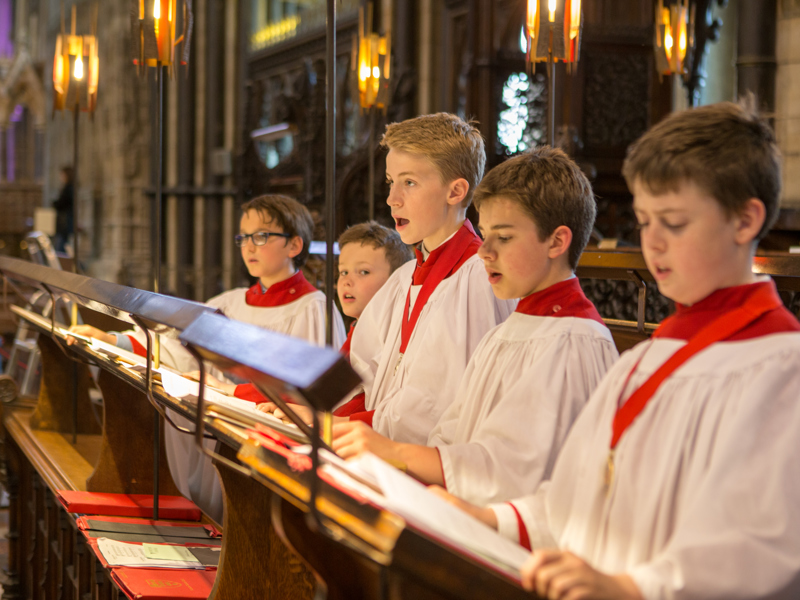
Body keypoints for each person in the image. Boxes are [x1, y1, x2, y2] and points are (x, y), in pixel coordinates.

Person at [435, 101, 800, 600]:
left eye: (673, 222)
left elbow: (761, 543)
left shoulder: (780, 367)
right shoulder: (648, 358)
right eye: (645, 222)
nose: (654, 244)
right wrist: (491, 519)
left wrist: (631, 588)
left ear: (744, 220)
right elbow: (580, 494)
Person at [332, 147, 618, 506]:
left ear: (557, 242)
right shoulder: (505, 334)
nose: (485, 251)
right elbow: (451, 435)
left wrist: (393, 451)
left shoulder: (573, 340)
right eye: (485, 235)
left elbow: (520, 471)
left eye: (505, 237)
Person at [69, 194, 346, 522]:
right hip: (220, 430)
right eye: (243, 237)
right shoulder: (229, 304)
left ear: (294, 245)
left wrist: (234, 391)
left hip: (270, 443)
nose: (249, 247)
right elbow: (177, 345)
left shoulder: (313, 308)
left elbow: (313, 390)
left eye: (261, 236)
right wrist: (113, 339)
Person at [341, 113, 517, 445]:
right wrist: (306, 409)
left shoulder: (478, 278)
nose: (393, 198)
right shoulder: (404, 277)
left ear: (456, 191)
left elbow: (443, 407)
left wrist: (337, 426)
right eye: (390, 182)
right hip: (380, 445)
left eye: (409, 182)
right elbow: (360, 372)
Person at [229, 220, 412, 407]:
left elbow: (357, 403)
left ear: (395, 281)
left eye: (363, 272)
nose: (347, 281)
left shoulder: (392, 337)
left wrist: (309, 416)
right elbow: (323, 388)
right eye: (343, 272)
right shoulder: (358, 329)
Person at [53, 166, 74, 253]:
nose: (61, 177)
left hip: (65, 220)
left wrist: (55, 203)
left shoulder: (68, 188)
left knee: (62, 247)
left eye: (62, 175)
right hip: (65, 220)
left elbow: (63, 203)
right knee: (62, 245)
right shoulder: (68, 187)